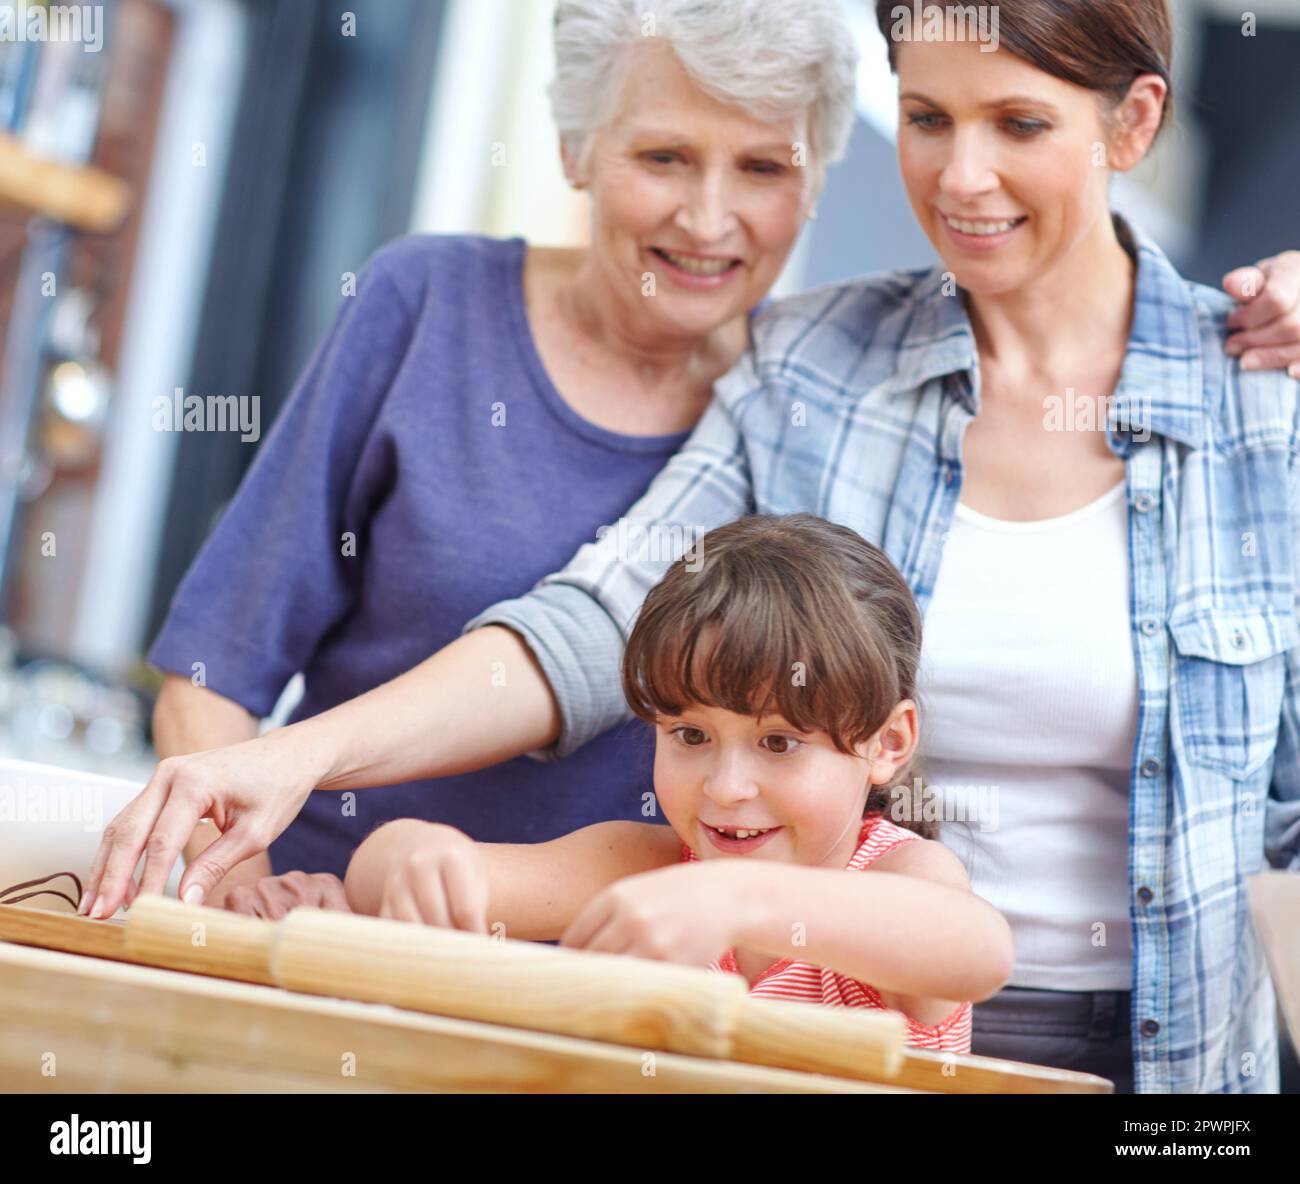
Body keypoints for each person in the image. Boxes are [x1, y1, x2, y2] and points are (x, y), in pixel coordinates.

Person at [85, 0, 1300, 1094]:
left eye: (1020, 124)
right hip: (822, 1023)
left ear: (1131, 123)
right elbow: (597, 613)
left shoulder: (1269, 399)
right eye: (926, 117)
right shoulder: (816, 367)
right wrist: (304, 761)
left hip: (1179, 1063)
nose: (963, 175)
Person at [145, 0, 860, 915]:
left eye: (762, 167)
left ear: (813, 186)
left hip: (595, 981)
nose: (708, 216)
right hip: (326, 922)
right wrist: (244, 889)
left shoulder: (800, 411)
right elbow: (212, 672)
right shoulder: (425, 303)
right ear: (575, 149)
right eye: (663, 157)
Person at [344, 513, 1014, 1053]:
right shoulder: (644, 868)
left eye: (779, 742)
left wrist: (738, 897)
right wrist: (411, 854)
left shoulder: (901, 876)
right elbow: (388, 881)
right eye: (690, 736)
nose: (725, 787)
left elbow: (977, 951)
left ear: (887, 743)